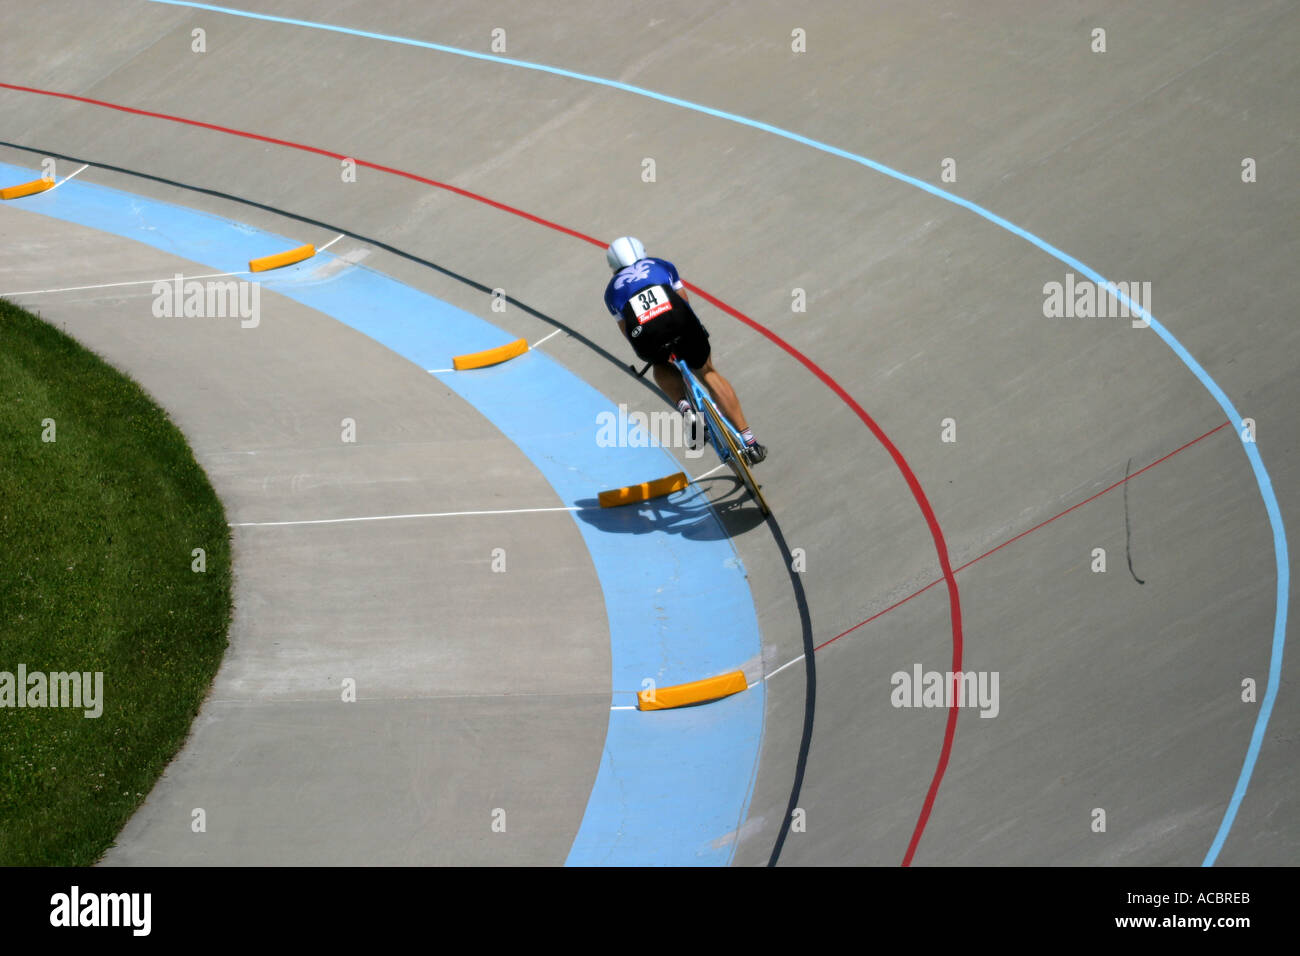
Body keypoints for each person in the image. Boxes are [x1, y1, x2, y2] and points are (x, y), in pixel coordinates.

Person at [602, 236, 766, 464]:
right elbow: (684, 302)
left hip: (648, 335)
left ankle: (685, 406)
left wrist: (651, 352)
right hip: (680, 322)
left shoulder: (611, 292)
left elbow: (627, 331)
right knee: (708, 372)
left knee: (659, 365)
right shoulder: (661, 265)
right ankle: (750, 442)